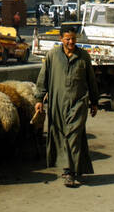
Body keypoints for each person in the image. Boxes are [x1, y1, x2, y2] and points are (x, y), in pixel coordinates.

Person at [33, 28, 96, 187]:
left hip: (79, 103)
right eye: (67, 39)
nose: (71, 42)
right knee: (61, 136)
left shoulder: (84, 56)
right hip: (58, 103)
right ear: (61, 39)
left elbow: (91, 80)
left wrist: (94, 102)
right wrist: (39, 98)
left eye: (73, 39)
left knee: (73, 135)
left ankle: (70, 172)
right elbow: (43, 78)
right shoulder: (52, 56)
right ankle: (72, 168)